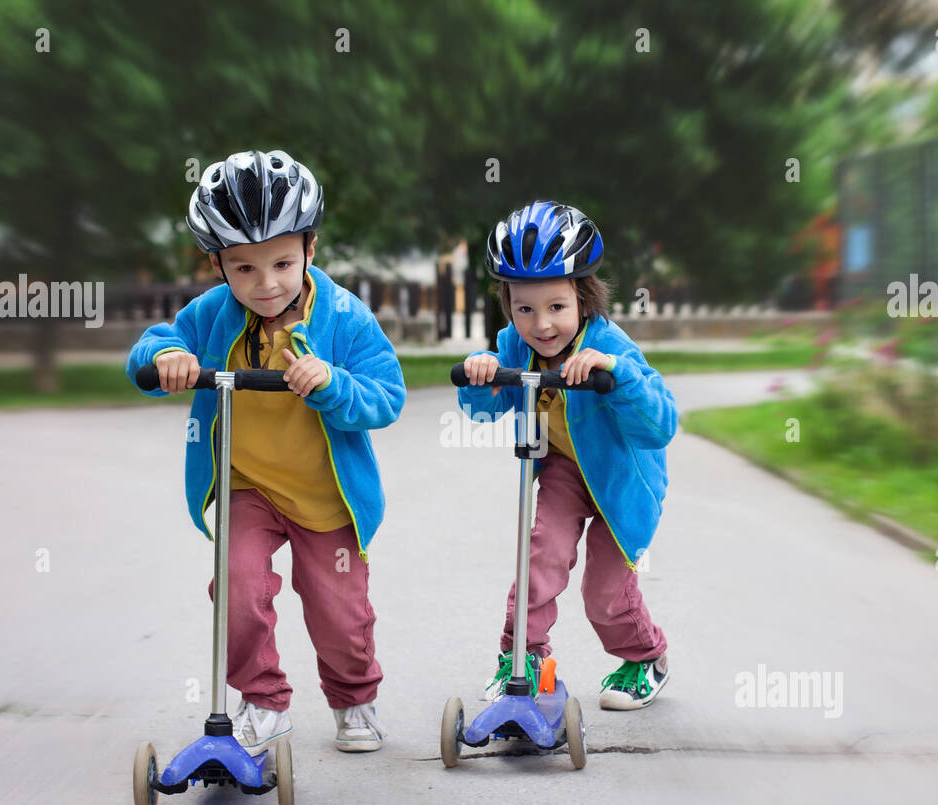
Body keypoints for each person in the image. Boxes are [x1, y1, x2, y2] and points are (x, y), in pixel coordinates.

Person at [126, 149, 404, 752]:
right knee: (236, 586)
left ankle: (355, 698)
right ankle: (263, 700)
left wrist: (333, 385)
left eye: (281, 262)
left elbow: (387, 397)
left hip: (324, 497)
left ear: (310, 249)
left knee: (338, 613)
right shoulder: (210, 315)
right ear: (217, 264)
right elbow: (154, 345)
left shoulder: (346, 319)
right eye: (243, 268)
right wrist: (164, 358)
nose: (266, 284)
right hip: (246, 486)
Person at [457, 200, 677, 710]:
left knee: (604, 594)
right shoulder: (513, 344)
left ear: (583, 297)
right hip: (562, 472)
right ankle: (521, 660)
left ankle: (646, 657)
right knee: (542, 556)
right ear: (508, 304)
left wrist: (616, 374)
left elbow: (660, 424)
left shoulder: (611, 345)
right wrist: (482, 376)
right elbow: (488, 409)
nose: (541, 324)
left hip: (622, 481)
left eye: (556, 306)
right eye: (524, 308)